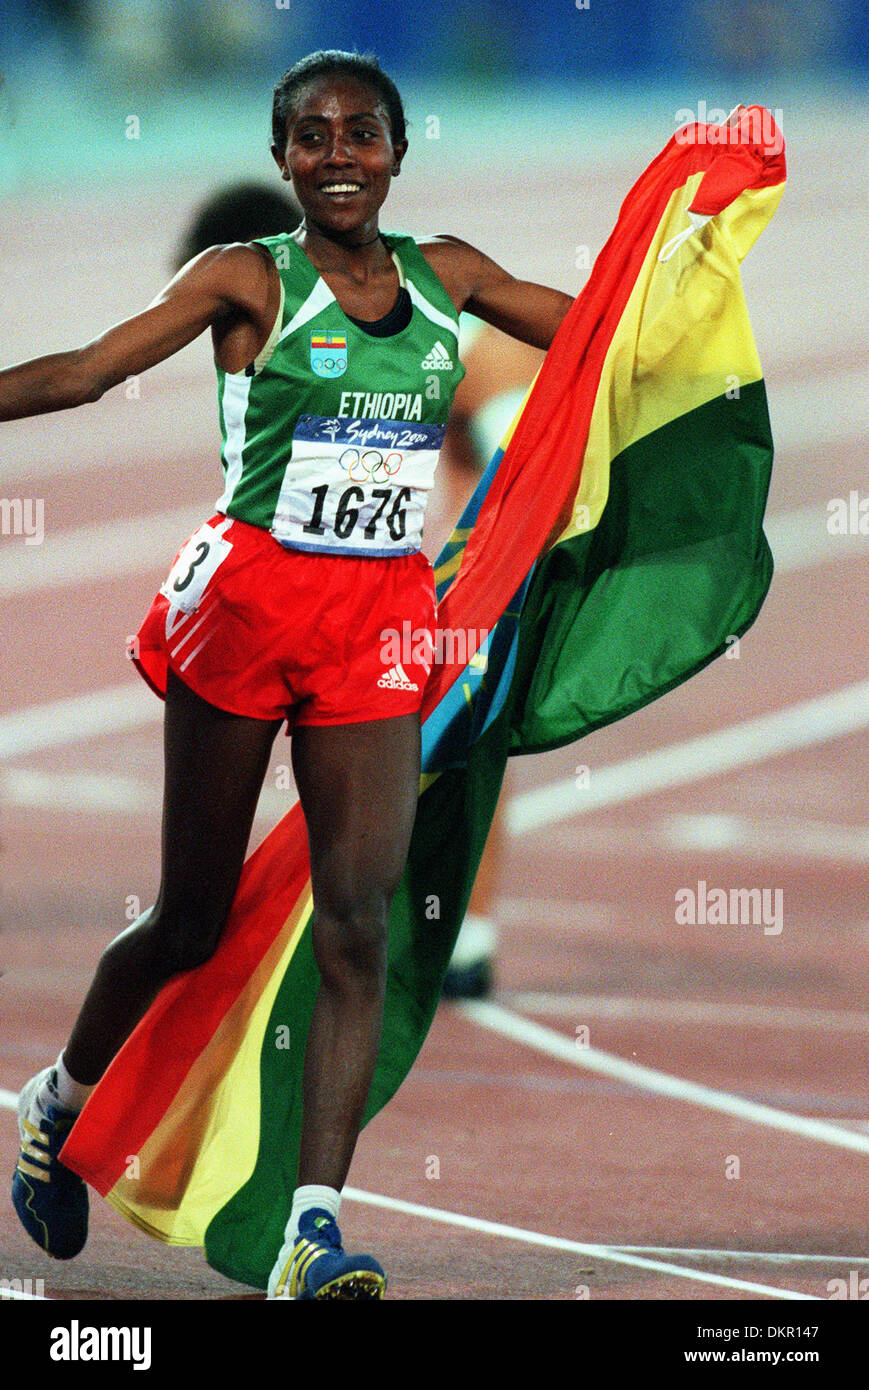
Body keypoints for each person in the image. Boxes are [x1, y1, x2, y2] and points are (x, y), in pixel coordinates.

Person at [5, 49, 572, 1299]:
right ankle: (61, 1099)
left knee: (357, 922)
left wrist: (689, 270)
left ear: (397, 150)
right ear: (282, 159)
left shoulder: (451, 277)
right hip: (253, 608)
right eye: (311, 137)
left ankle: (309, 1231)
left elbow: (596, 339)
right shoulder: (246, 278)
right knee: (189, 918)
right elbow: (88, 370)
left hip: (377, 621)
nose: (338, 156)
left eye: (361, 133)